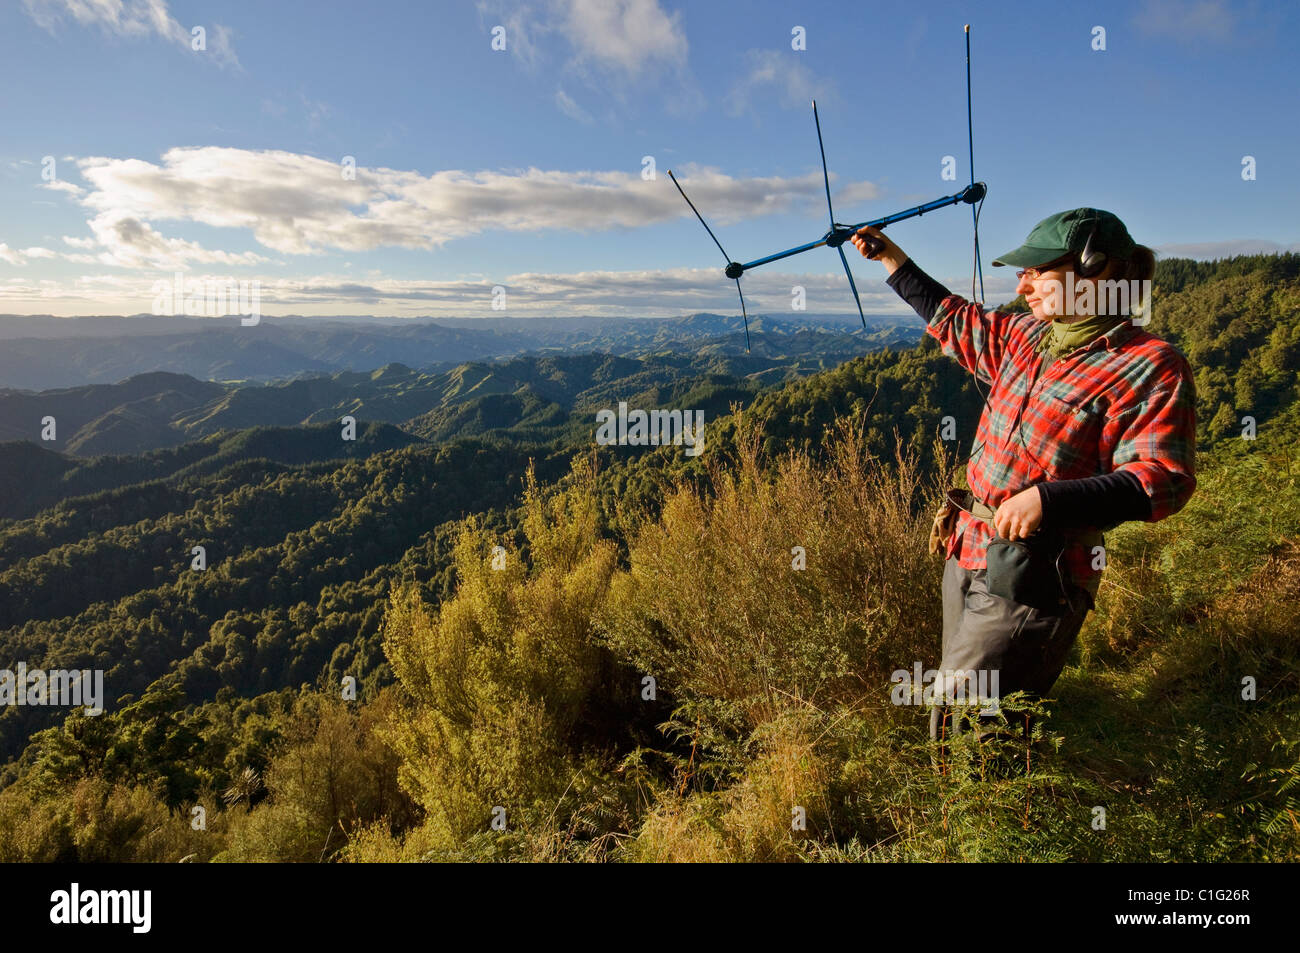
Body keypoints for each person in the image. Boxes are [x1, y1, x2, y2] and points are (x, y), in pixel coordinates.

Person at [850, 208, 1197, 750]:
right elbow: (952, 317)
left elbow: (1164, 479)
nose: (1022, 284)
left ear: (1096, 270)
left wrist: (1049, 500)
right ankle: (976, 794)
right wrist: (890, 257)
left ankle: (990, 799)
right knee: (962, 699)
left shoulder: (1149, 365)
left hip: (1037, 569)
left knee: (971, 715)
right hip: (968, 548)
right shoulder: (1027, 336)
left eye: (1038, 271)